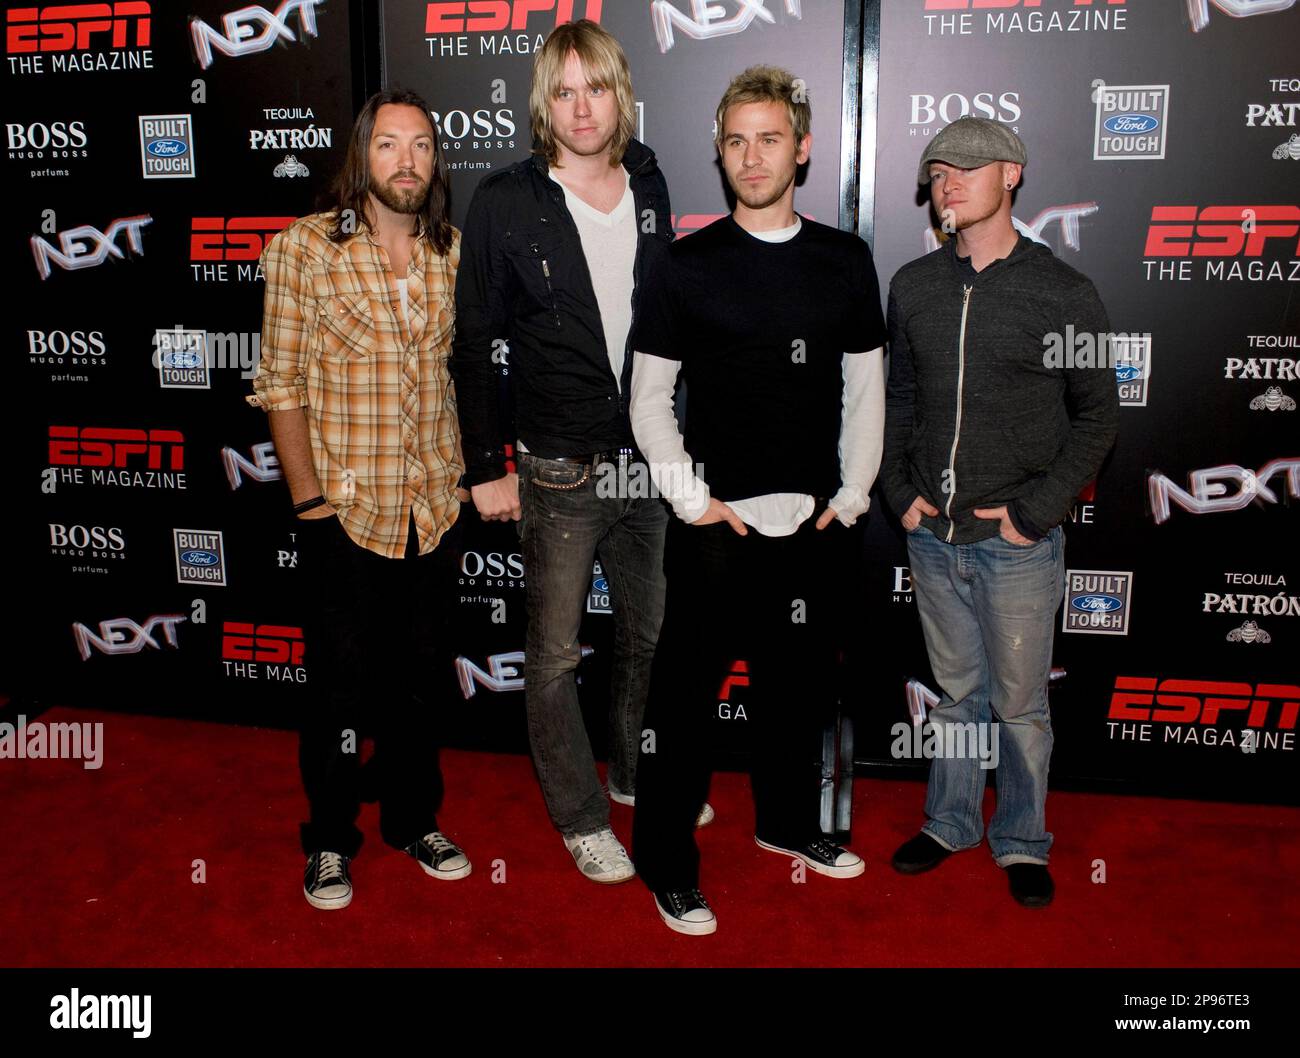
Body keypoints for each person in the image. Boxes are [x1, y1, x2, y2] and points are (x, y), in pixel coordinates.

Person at [628, 65, 887, 935]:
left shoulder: (844, 259)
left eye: (769, 138)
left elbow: (864, 388)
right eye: (736, 140)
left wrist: (852, 497)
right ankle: (666, 861)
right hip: (716, 530)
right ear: (720, 149)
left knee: (801, 691)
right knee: (682, 707)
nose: (751, 155)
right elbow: (649, 399)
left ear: (803, 148)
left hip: (814, 527)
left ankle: (786, 824)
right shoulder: (682, 265)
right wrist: (695, 502)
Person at [451, 20, 708, 885]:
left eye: (595, 87)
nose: (582, 106)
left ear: (620, 92)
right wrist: (486, 466)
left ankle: (634, 772)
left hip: (647, 455)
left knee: (650, 633)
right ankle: (579, 812)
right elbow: (473, 341)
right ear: (543, 105)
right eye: (564, 91)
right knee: (556, 654)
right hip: (556, 466)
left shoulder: (650, 180)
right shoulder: (503, 201)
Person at [881, 116, 1119, 908]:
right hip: (933, 536)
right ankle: (951, 822)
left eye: (970, 168)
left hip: (1016, 544)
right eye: (939, 169)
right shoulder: (913, 286)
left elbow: (1097, 418)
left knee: (1019, 704)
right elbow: (900, 400)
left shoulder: (1064, 292)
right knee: (956, 697)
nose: (950, 181)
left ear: (1011, 174)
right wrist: (899, 491)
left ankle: (1021, 839)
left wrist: (1034, 513)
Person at [250, 88, 471, 910]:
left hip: (434, 509)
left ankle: (414, 821)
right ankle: (330, 842)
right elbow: (280, 386)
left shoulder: (452, 251)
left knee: (421, 683)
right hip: (345, 512)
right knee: (338, 691)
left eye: (420, 145)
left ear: (434, 163)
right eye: (388, 145)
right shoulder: (304, 250)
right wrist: (309, 504)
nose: (406, 160)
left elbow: (461, 378)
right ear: (361, 157)